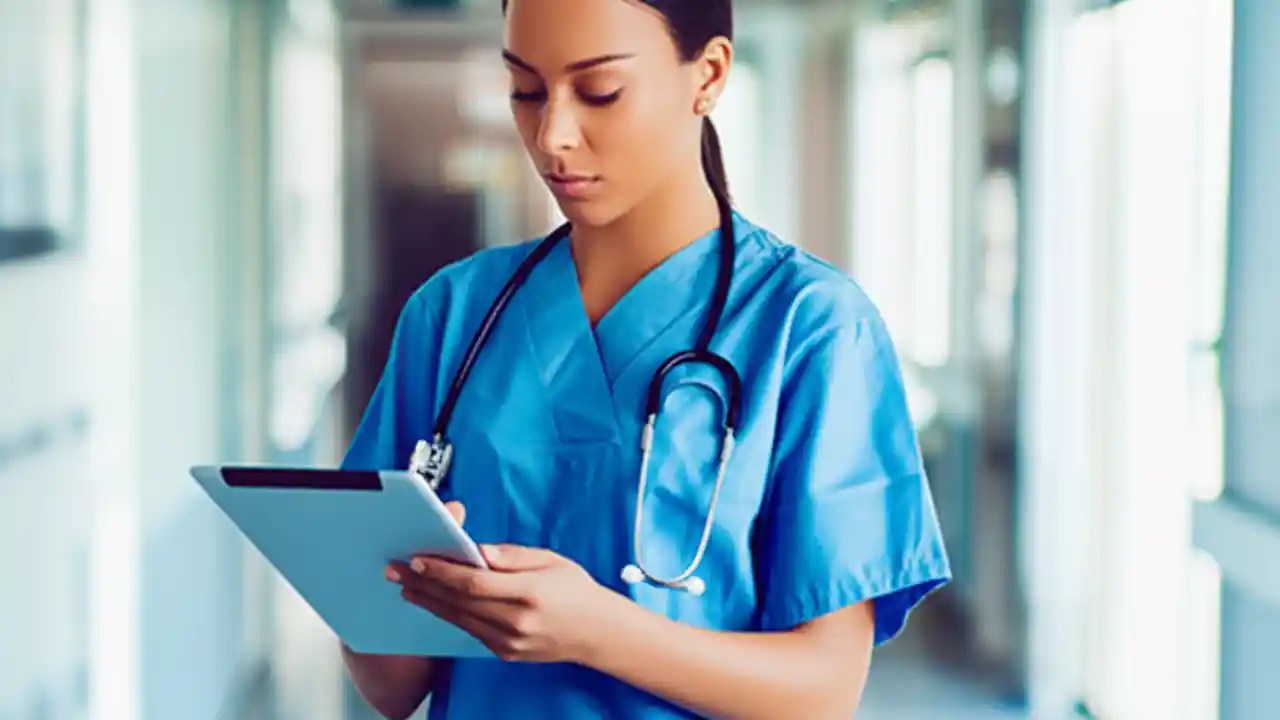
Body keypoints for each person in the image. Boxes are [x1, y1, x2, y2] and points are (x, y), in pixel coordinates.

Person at [339, 0, 951, 718]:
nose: (551, 135)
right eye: (526, 90)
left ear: (710, 74)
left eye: (600, 91)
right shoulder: (453, 315)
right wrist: (386, 590)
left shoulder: (811, 327)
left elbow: (823, 693)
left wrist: (596, 632)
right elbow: (391, 686)